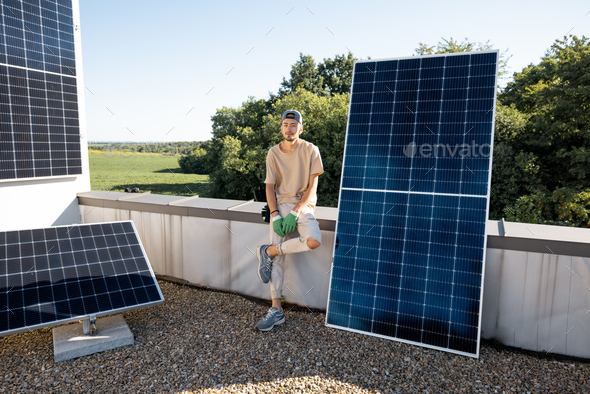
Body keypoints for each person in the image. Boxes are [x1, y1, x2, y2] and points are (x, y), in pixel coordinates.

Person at [255, 110, 324, 331]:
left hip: (303, 206)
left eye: (293, 125)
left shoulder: (311, 150)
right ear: (281, 128)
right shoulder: (273, 153)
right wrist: (275, 214)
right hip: (280, 204)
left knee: (313, 240)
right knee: (278, 263)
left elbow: (312, 187)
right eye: (285, 124)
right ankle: (276, 310)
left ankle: (269, 251)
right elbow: (269, 187)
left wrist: (295, 211)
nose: (289, 128)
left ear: (300, 128)